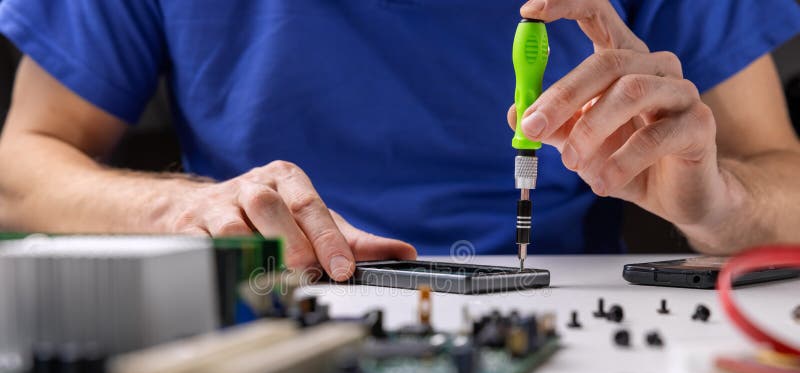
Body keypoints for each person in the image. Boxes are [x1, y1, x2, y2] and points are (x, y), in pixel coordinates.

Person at [0, 0, 798, 282]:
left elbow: (785, 183)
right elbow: (20, 169)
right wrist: (182, 210)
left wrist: (723, 203)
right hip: (260, 301)